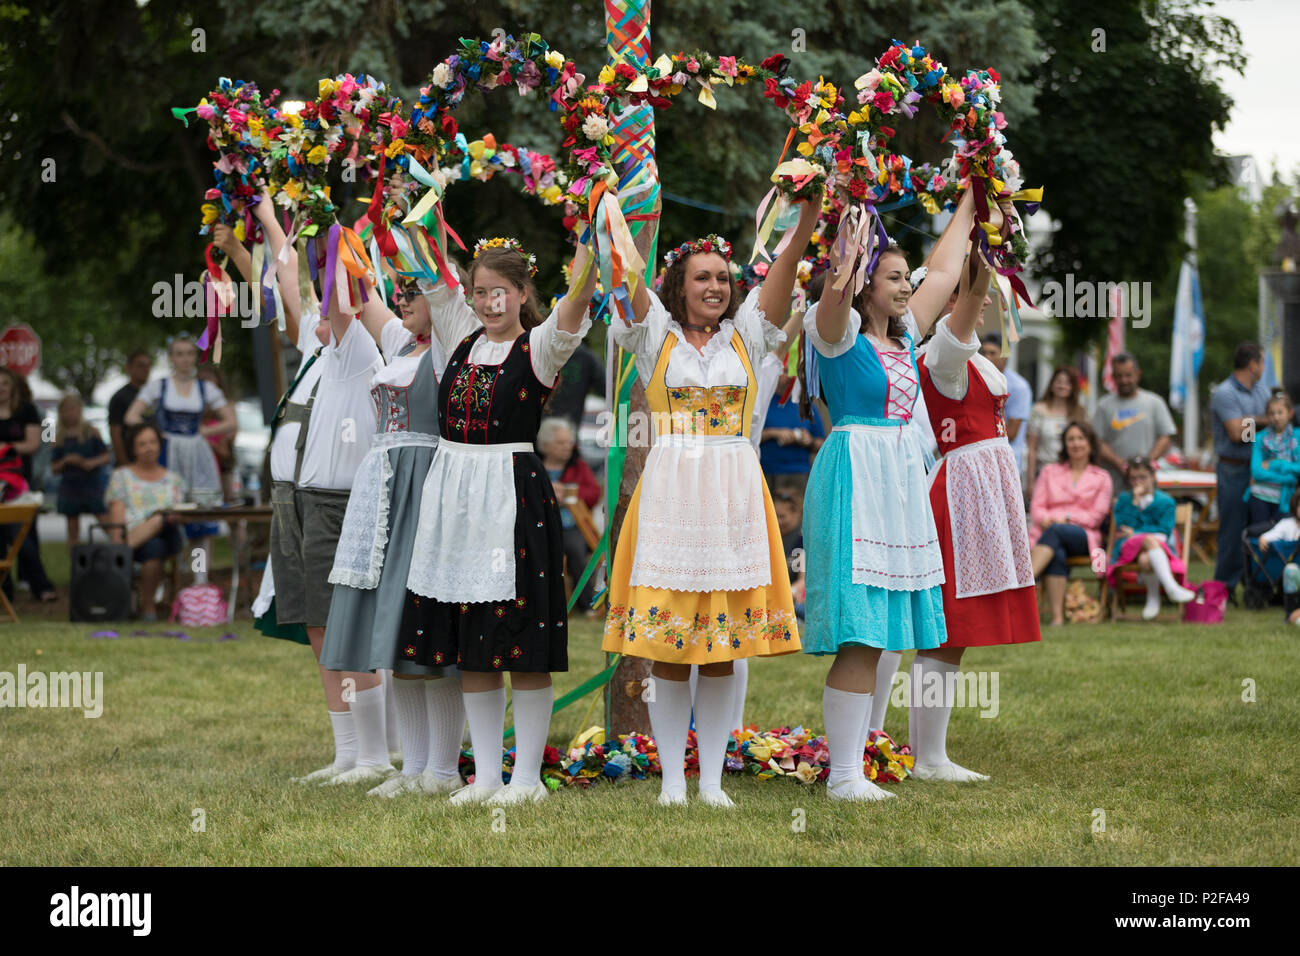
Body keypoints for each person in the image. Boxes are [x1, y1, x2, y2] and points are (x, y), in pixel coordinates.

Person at [600, 204, 815, 808]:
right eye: (703, 277)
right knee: (670, 644)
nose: (716, 286)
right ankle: (673, 781)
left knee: (722, 648)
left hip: (732, 494)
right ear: (679, 284)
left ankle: (713, 781)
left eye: (723, 277)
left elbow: (787, 266)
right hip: (672, 492)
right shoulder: (654, 336)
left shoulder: (746, 333)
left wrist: (808, 216)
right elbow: (624, 269)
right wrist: (609, 197)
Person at [400, 235, 598, 806]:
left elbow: (578, 299)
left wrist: (593, 227)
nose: (489, 303)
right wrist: (409, 193)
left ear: (522, 293)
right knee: (472, 643)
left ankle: (527, 779)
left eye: (500, 293)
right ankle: (487, 776)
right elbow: (429, 266)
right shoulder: (458, 340)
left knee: (521, 639)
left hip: (511, 495)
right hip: (455, 498)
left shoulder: (538, 349)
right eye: (480, 293)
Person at [801, 188, 979, 802]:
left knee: (878, 631)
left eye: (908, 277)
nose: (907, 286)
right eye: (895, 276)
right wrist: (853, 213)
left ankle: (854, 766)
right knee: (859, 630)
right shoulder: (836, 332)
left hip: (898, 482)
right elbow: (833, 287)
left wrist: (975, 192)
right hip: (855, 476)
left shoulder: (904, 340)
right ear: (865, 282)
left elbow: (950, 268)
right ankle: (844, 775)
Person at [910, 249, 1041, 781]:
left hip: (981, 492)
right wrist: (984, 245)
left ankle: (929, 753)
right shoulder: (943, 354)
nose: (986, 300)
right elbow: (961, 319)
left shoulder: (964, 357)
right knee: (947, 628)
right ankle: (929, 757)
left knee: (953, 632)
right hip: (960, 493)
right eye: (974, 292)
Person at [124, 334, 238, 580]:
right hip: (168, 454)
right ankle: (169, 578)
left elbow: (231, 422)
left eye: (189, 354)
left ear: (195, 357)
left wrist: (206, 430)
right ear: (171, 358)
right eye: (179, 354)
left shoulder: (205, 388)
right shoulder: (159, 386)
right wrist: (156, 433)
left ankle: (199, 580)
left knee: (200, 516)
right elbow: (131, 417)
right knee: (167, 514)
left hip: (197, 457)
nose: (185, 359)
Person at [1028, 421, 1113, 626]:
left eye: (1080, 438)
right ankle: (1057, 617)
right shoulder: (1049, 471)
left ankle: (1026, 582)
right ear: (1064, 444)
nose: (1076, 444)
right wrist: (1047, 519)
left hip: (1084, 536)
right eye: (1071, 439)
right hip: (1048, 534)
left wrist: (1064, 518)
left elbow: (1095, 517)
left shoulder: (1102, 477)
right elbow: (1037, 507)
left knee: (1057, 531)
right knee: (1056, 551)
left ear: (1090, 444)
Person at [103, 424, 187, 620]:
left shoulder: (174, 479)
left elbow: (182, 515)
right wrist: (117, 539)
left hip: (169, 535)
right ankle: (148, 605)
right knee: (154, 546)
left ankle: (123, 550)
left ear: (159, 445)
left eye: (152, 442)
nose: (149, 448)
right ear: (133, 449)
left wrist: (171, 519)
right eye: (142, 444)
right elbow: (117, 518)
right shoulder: (121, 477)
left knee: (162, 523)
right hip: (137, 538)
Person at [1210, 342, 1271, 594]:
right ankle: (1224, 588)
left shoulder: (1261, 391)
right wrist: (1265, 421)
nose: (1263, 368)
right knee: (1232, 531)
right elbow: (1237, 433)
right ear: (1253, 364)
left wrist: (1253, 422)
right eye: (1262, 362)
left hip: (1259, 470)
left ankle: (1255, 586)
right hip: (1233, 469)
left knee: (1260, 528)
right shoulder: (1225, 393)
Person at [1106, 455, 1195, 618]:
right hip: (1126, 549)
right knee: (1148, 539)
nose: (1138, 482)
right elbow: (1124, 526)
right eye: (1133, 478)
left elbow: (1164, 530)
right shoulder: (1125, 500)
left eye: (1143, 477)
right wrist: (1135, 501)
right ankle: (1171, 588)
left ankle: (1153, 598)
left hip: (1159, 546)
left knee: (1146, 559)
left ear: (1153, 477)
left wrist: (1137, 533)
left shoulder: (1165, 501)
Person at [0, 366, 56, 602]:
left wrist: (7, 448)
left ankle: (39, 584)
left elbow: (44, 440)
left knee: (22, 534)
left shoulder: (31, 411)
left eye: (5, 384)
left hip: (19, 482)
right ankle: (5, 590)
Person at [537, 416, 601, 612]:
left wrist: (567, 494)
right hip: (542, 526)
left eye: (569, 442)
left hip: (571, 525)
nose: (567, 447)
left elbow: (594, 493)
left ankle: (586, 603)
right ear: (545, 445)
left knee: (575, 549)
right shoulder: (535, 466)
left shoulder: (578, 466)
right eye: (560, 443)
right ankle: (542, 604)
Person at [1091, 352, 1177, 492]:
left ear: (1138, 374)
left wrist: (1144, 465)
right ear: (1113, 377)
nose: (1124, 380)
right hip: (1114, 482)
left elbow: (1165, 436)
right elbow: (1096, 441)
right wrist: (1121, 464)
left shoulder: (1154, 402)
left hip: (1147, 481)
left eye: (1128, 375)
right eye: (1119, 376)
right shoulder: (1104, 406)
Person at [50, 393, 110, 551]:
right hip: (70, 488)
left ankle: (121, 551)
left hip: (91, 485)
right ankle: (75, 570)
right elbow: (53, 468)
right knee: (72, 530)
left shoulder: (92, 432)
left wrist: (89, 463)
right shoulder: (58, 437)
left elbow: (106, 456)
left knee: (107, 524)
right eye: (66, 410)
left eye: (73, 409)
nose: (70, 413)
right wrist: (66, 461)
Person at [979, 332, 1032, 474]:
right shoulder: (977, 380)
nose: (986, 358)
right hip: (980, 460)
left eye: (992, 353)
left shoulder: (1018, 387)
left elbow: (1012, 432)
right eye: (983, 352)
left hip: (1007, 464)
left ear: (1005, 355)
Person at [1247, 390, 1300, 527]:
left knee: (1283, 536)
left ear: (1290, 413)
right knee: (1259, 536)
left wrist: (1276, 464)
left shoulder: (1297, 437)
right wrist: (1288, 478)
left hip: (1286, 498)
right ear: (1267, 416)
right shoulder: (1259, 438)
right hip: (1260, 496)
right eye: (1271, 413)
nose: (1276, 417)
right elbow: (1256, 472)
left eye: (1280, 412)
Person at [1026, 366, 1086, 484]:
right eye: (1059, 381)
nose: (1062, 386)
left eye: (1067, 383)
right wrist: (1030, 480)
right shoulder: (1038, 411)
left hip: (1072, 475)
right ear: (1052, 384)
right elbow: (1031, 448)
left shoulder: (1080, 413)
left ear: (1073, 387)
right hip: (1043, 472)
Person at [546, 341, 605, 436]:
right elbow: (609, 392)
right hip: (569, 424)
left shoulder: (541, 350)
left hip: (553, 424)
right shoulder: (587, 356)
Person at [197, 366, 238, 502]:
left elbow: (231, 435)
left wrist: (212, 441)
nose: (206, 383)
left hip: (223, 462)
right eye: (202, 379)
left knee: (228, 500)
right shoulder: (195, 403)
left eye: (209, 379)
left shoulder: (226, 405)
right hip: (201, 460)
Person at [108, 351, 154, 467]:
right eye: (140, 365)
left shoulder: (154, 394)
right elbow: (115, 432)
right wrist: (124, 464)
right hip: (130, 461)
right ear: (129, 368)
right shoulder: (120, 397)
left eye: (148, 365)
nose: (145, 369)